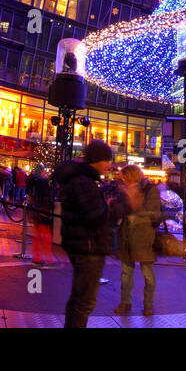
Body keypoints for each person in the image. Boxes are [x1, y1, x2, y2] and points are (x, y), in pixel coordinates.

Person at [54, 140, 125, 328]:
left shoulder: (80, 180)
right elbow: (99, 218)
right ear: (96, 160)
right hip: (89, 247)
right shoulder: (84, 183)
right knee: (84, 302)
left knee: (79, 299)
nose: (109, 165)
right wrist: (119, 207)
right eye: (106, 160)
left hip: (81, 244)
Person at [113, 164, 162, 316]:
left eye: (126, 178)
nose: (124, 181)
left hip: (143, 236)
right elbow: (119, 211)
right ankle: (125, 302)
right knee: (126, 273)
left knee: (147, 272)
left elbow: (153, 213)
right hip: (126, 236)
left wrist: (133, 203)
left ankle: (149, 304)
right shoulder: (123, 192)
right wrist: (115, 205)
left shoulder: (149, 190)